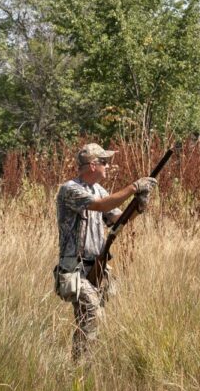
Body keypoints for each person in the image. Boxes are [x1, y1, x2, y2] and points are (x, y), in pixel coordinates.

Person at [55, 142, 157, 361]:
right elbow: (100, 205)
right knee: (91, 310)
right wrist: (133, 188)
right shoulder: (70, 189)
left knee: (93, 317)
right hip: (74, 269)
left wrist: (139, 204)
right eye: (104, 162)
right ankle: (80, 365)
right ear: (92, 165)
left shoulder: (99, 190)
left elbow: (116, 220)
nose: (108, 166)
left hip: (96, 267)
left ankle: (83, 363)